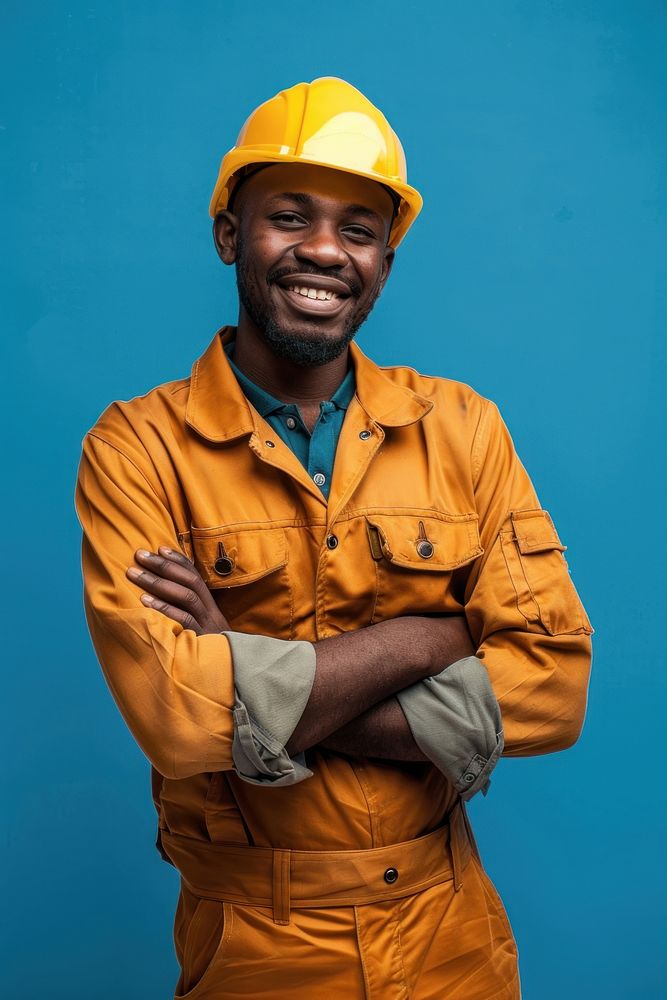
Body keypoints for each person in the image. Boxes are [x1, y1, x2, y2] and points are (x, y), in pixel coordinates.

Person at [75, 76, 593, 999]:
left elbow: (552, 691)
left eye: (359, 229)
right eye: (289, 217)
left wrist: (243, 663)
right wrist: (430, 637)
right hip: (254, 948)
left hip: (451, 939)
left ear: (386, 260)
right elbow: (181, 719)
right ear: (231, 234)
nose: (324, 250)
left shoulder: (463, 429)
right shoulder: (137, 448)